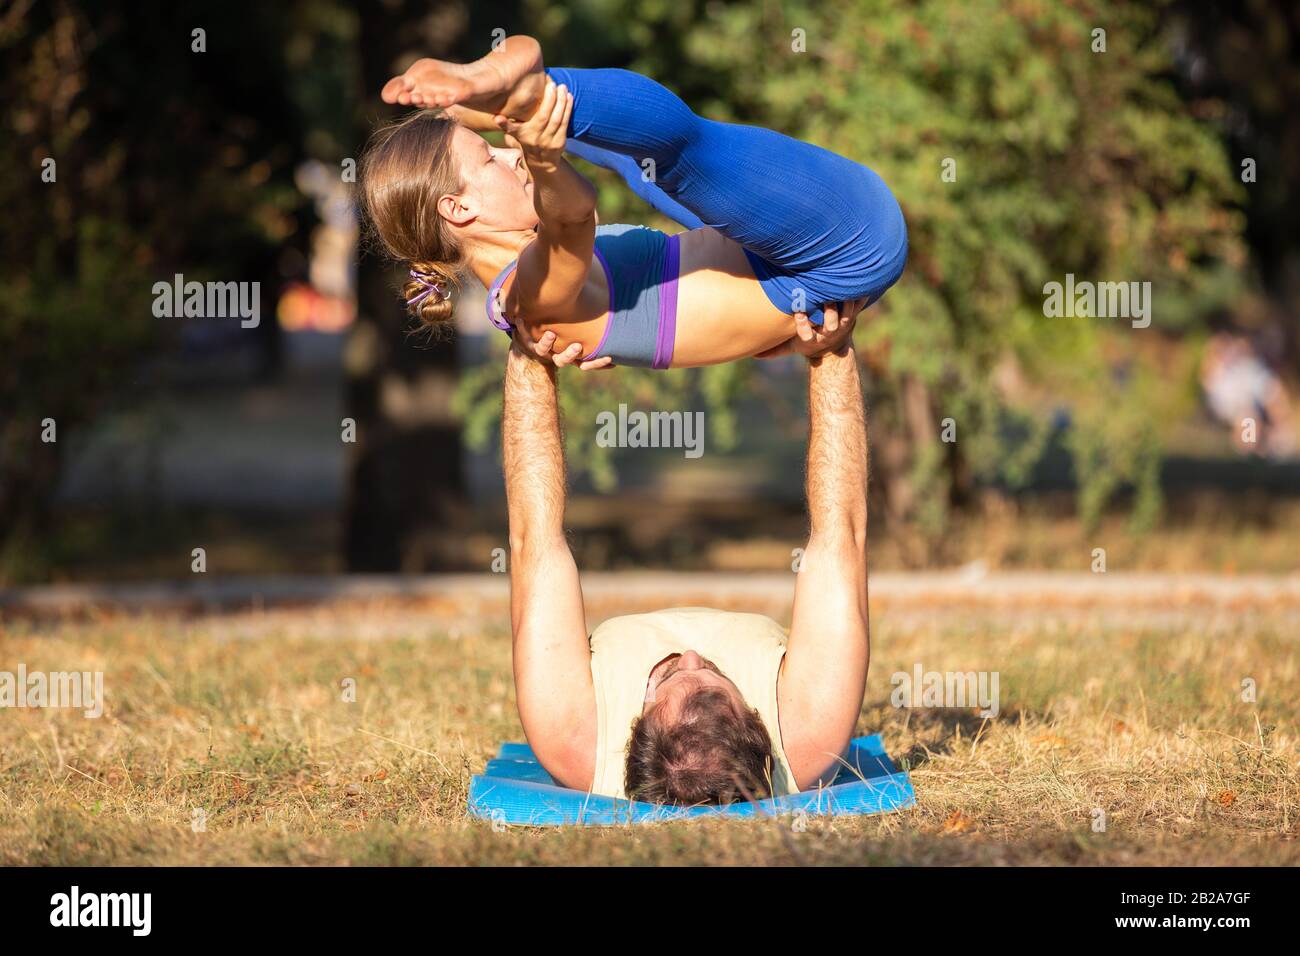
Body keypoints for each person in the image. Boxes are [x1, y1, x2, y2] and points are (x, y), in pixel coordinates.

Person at [361, 35, 906, 370]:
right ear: (457, 211)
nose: (513, 158)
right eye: (489, 159)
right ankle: (523, 92)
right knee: (679, 156)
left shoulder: (530, 308)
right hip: (841, 252)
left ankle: (505, 92)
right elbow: (573, 216)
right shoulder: (530, 299)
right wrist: (545, 158)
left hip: (792, 259)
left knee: (637, 165)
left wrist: (465, 106)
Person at [500, 323, 871, 804]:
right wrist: (830, 349)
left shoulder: (572, 737)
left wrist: (531, 355)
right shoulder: (809, 731)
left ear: (634, 728)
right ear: (758, 721)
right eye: (716, 673)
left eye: (671, 677)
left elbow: (535, 540)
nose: (691, 655)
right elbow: (841, 531)